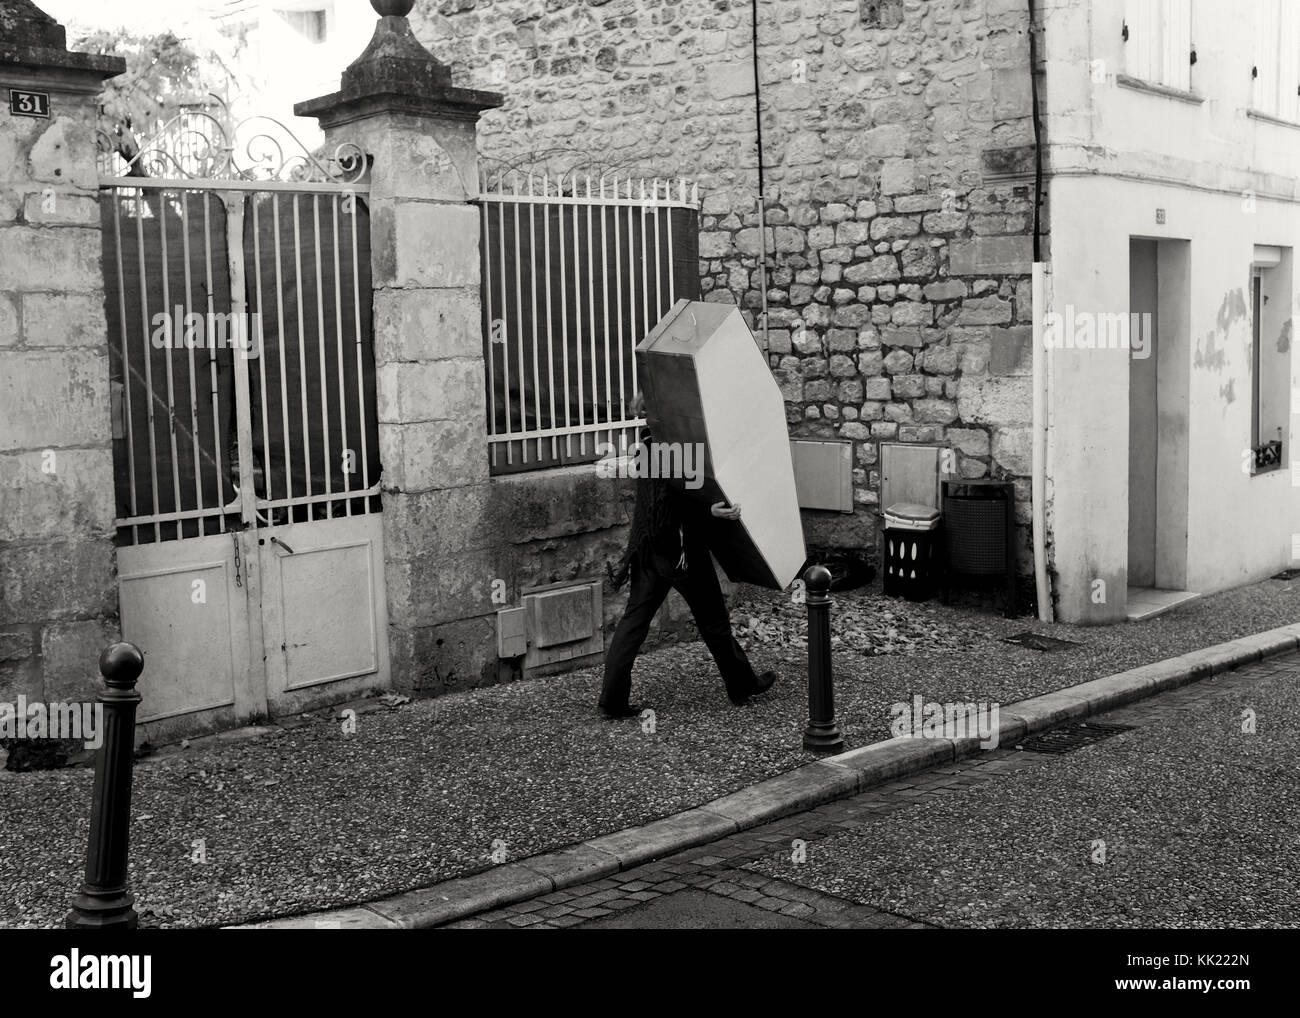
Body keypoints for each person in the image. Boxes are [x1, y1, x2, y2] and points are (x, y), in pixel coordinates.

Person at [598, 398, 777, 719]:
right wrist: (712, 511)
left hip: (648, 548)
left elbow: (663, 503)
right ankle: (742, 684)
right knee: (714, 622)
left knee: (632, 624)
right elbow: (674, 505)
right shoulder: (674, 449)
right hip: (681, 555)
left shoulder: (647, 446)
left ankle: (612, 700)